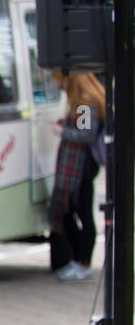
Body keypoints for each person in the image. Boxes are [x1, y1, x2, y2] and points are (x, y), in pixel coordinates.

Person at [48, 71, 105, 283]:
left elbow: (84, 135)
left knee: (79, 213)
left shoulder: (84, 101)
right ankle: (80, 261)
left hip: (80, 167)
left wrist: (61, 131)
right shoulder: (84, 101)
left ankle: (83, 263)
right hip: (81, 167)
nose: (59, 85)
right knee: (75, 212)